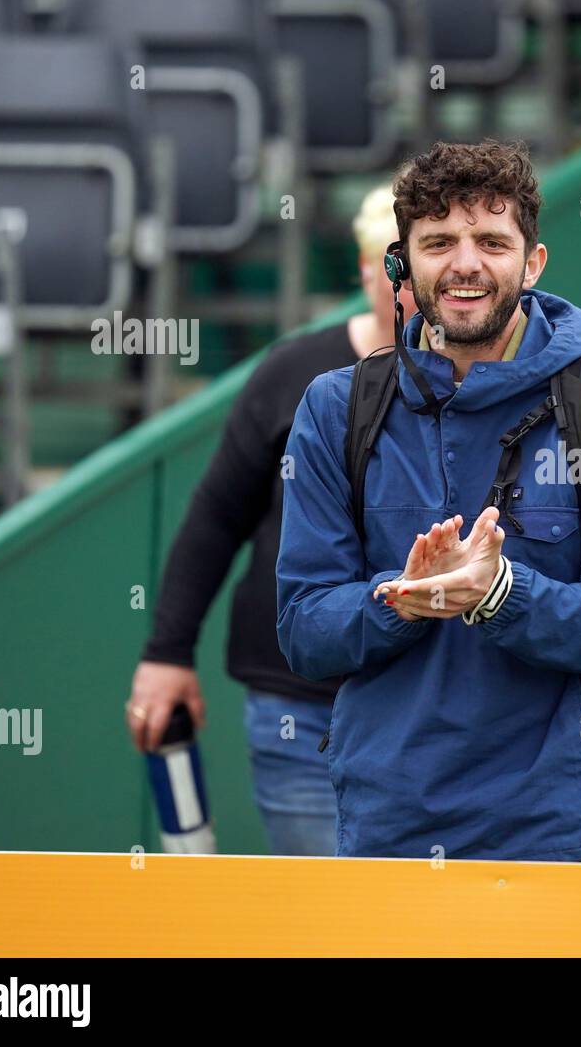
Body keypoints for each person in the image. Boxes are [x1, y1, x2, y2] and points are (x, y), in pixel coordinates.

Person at [275, 139, 581, 862]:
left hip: (570, 836)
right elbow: (304, 631)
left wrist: (502, 593)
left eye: (492, 241)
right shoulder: (337, 408)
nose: (465, 264)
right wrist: (401, 597)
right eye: (438, 242)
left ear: (533, 262)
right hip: (391, 835)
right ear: (402, 260)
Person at [126, 186, 416, 856]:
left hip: (423, 710)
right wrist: (167, 652)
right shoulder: (293, 371)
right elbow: (217, 514)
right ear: (366, 270)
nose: (407, 284)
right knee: (323, 925)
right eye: (391, 263)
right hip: (298, 705)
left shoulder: (478, 381)